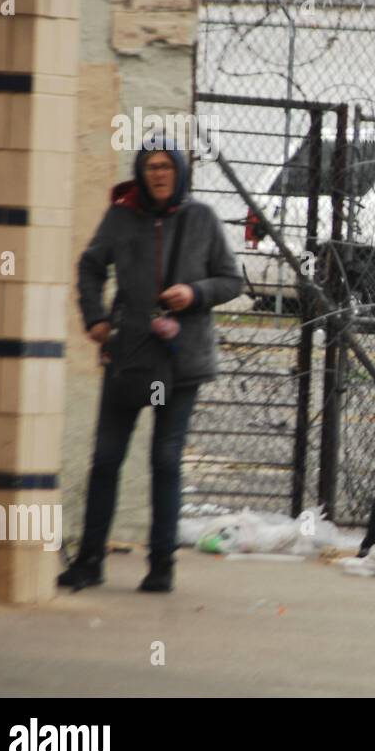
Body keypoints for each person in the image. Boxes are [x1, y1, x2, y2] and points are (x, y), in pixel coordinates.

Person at [60, 136, 243, 594]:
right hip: (131, 360)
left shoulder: (201, 217)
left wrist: (194, 294)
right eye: (150, 167)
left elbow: (231, 280)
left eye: (166, 166)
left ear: (179, 171)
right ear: (141, 172)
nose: (158, 174)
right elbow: (89, 265)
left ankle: (161, 567)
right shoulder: (122, 217)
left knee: (165, 458)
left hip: (182, 364)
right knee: (105, 458)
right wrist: (96, 318)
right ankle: (89, 562)